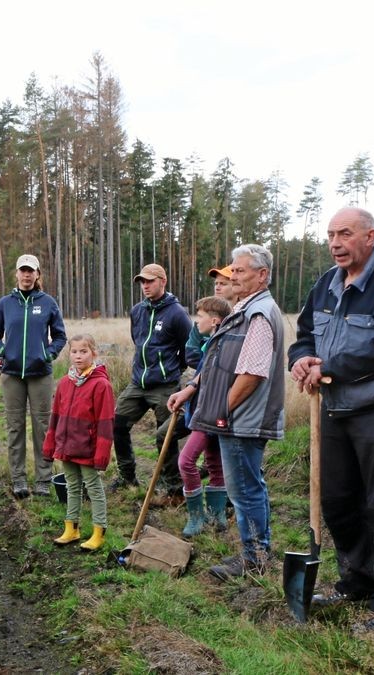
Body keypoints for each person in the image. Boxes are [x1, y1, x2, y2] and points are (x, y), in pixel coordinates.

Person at [289, 206, 374, 622]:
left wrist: (331, 367)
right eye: (331, 235)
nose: (335, 243)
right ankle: (357, 581)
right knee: (337, 500)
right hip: (334, 408)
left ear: (370, 236)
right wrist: (302, 358)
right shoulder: (327, 282)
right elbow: (305, 332)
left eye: (345, 234)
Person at [174, 245, 286, 579]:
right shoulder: (244, 310)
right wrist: (193, 389)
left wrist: (221, 410)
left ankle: (254, 559)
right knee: (250, 486)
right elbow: (218, 362)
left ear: (262, 275)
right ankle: (258, 551)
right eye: (233, 270)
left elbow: (251, 374)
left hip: (243, 420)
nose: (233, 276)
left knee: (244, 490)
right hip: (237, 417)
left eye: (241, 271)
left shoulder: (258, 315)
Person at [0, 254, 67, 498]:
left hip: (40, 374)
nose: (26, 274)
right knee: (15, 426)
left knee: (42, 426)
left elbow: (60, 336)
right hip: (12, 374)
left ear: (37, 274)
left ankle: (43, 479)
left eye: (31, 270)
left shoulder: (48, 303)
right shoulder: (5, 303)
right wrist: (4, 352)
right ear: (17, 273)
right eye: (23, 270)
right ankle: (19, 479)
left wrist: (48, 354)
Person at [109, 263, 192, 499]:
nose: (145, 286)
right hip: (138, 384)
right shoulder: (137, 311)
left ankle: (172, 488)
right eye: (142, 282)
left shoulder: (177, 313)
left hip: (165, 386)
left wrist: (173, 370)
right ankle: (127, 477)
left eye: (150, 281)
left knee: (166, 437)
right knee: (118, 424)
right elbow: (138, 341)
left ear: (162, 281)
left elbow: (188, 348)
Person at [42, 334, 114, 552]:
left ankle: (98, 532)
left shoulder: (101, 385)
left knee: (93, 488)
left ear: (94, 353)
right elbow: (55, 416)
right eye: (74, 352)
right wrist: (51, 444)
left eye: (84, 351)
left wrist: (101, 453)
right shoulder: (65, 382)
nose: (78, 356)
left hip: (88, 448)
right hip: (67, 445)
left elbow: (106, 423)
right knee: (72, 486)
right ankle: (71, 529)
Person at [171, 295, 232, 539]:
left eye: (200, 316)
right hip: (206, 410)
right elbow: (203, 373)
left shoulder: (224, 344)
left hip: (212, 413)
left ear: (215, 320)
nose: (196, 322)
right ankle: (215, 517)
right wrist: (188, 391)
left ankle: (198, 516)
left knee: (186, 461)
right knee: (214, 461)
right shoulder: (213, 343)